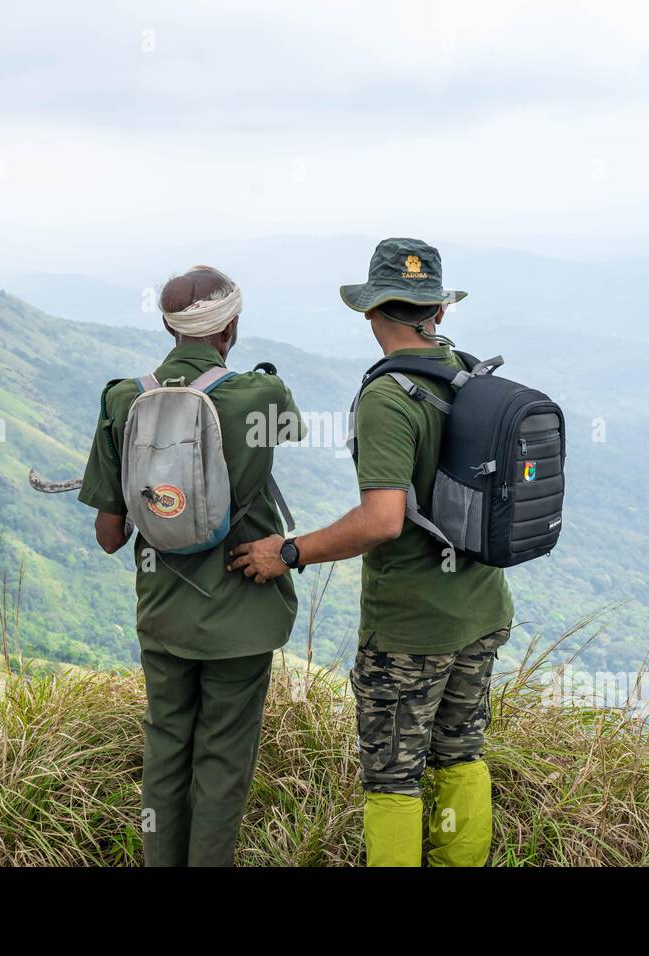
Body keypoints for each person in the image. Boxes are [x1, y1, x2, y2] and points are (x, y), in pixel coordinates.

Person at [228, 238, 514, 867]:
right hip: (482, 609)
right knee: (461, 753)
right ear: (437, 312)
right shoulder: (469, 374)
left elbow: (382, 521)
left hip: (412, 626)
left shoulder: (390, 397)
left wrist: (290, 551)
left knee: (392, 777)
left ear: (371, 313)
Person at [78, 265, 304, 866]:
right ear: (230, 327)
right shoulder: (263, 394)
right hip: (242, 614)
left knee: (165, 753)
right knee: (222, 765)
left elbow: (108, 535)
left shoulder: (123, 399)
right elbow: (289, 432)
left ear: (166, 326)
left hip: (164, 614)